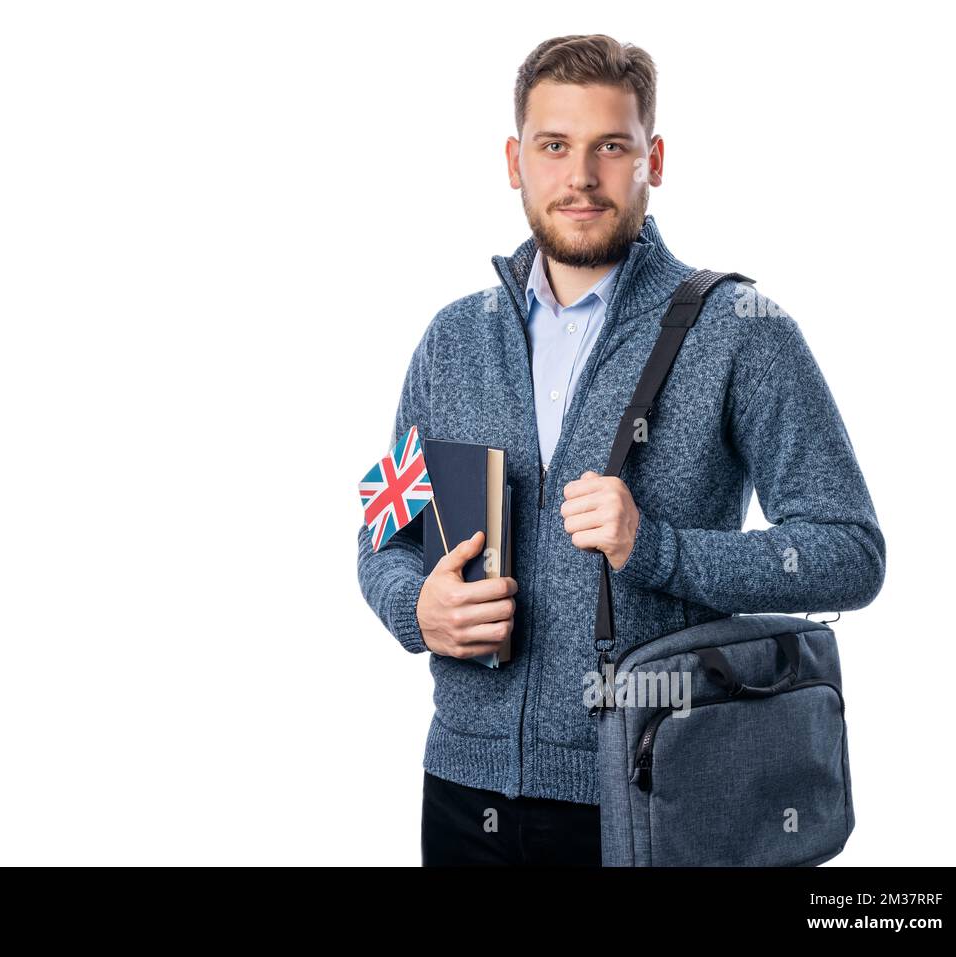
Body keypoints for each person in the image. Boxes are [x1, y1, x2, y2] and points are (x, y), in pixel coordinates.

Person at [355, 34, 885, 867]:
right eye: (554, 145)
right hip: (462, 792)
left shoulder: (742, 332)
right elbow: (383, 535)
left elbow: (850, 553)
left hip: (651, 792)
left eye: (612, 146)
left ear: (654, 158)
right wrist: (412, 609)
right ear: (513, 159)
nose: (581, 177)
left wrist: (658, 549)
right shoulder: (454, 340)